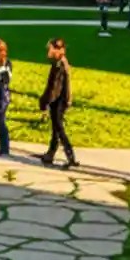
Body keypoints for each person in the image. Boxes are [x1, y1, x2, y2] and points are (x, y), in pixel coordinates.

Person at [37, 37, 78, 168]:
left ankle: (70, 157)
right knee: (56, 130)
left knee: (59, 129)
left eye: (50, 49)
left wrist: (44, 102)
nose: (48, 52)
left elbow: (54, 88)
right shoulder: (60, 63)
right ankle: (50, 154)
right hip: (60, 100)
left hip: (59, 101)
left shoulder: (59, 65)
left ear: (59, 50)